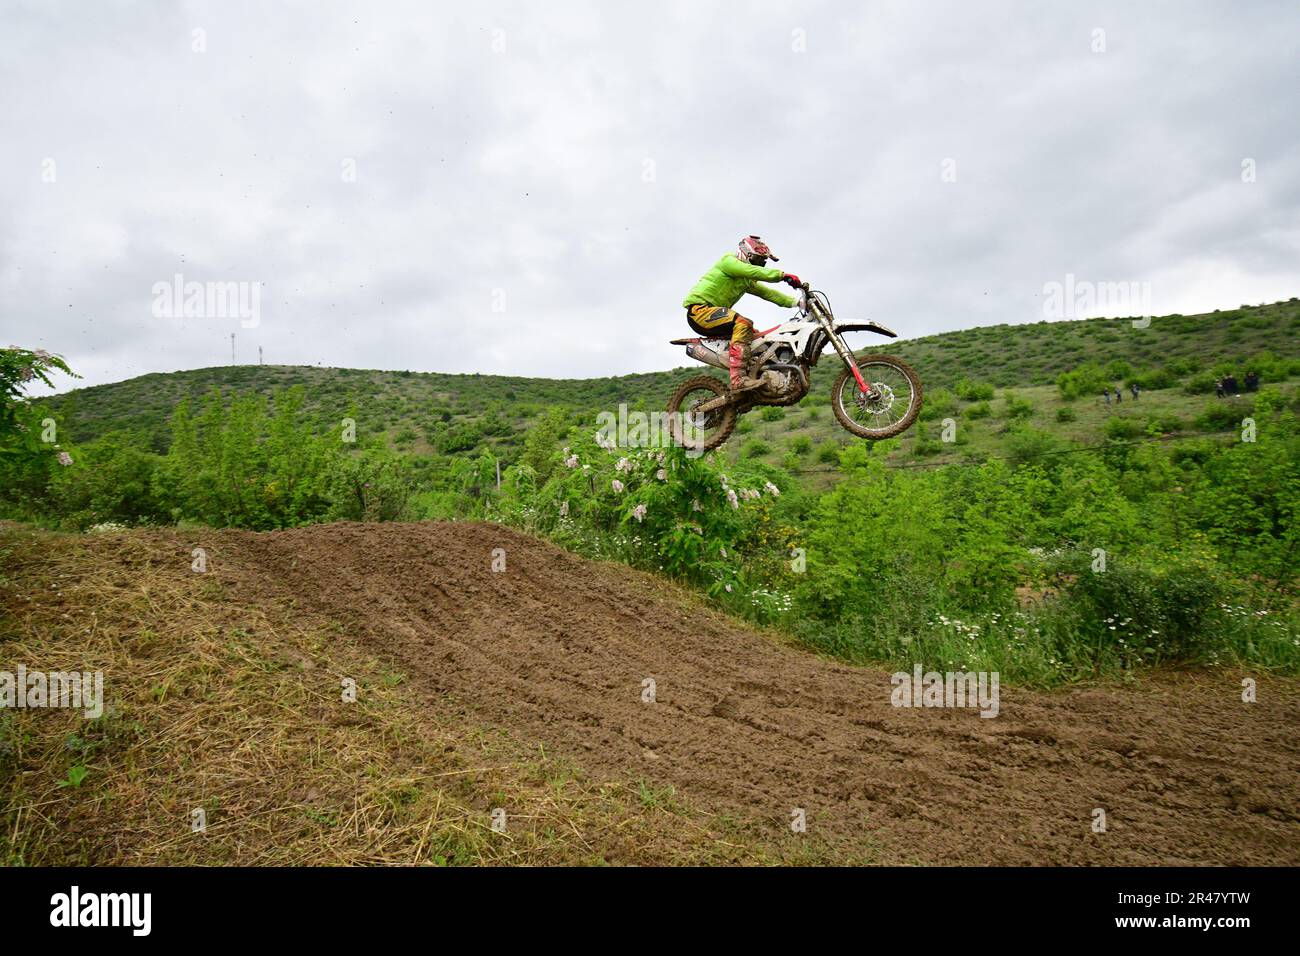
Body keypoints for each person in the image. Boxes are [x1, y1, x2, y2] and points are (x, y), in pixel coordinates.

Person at [682, 236, 802, 392]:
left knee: (756, 337)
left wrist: (797, 302)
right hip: (700, 311)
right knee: (743, 323)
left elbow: (769, 294)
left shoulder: (745, 280)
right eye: (758, 259)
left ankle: (756, 376)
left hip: (716, 316)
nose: (760, 264)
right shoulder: (728, 261)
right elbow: (751, 270)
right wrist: (782, 275)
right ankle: (738, 379)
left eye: (762, 261)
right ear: (746, 253)